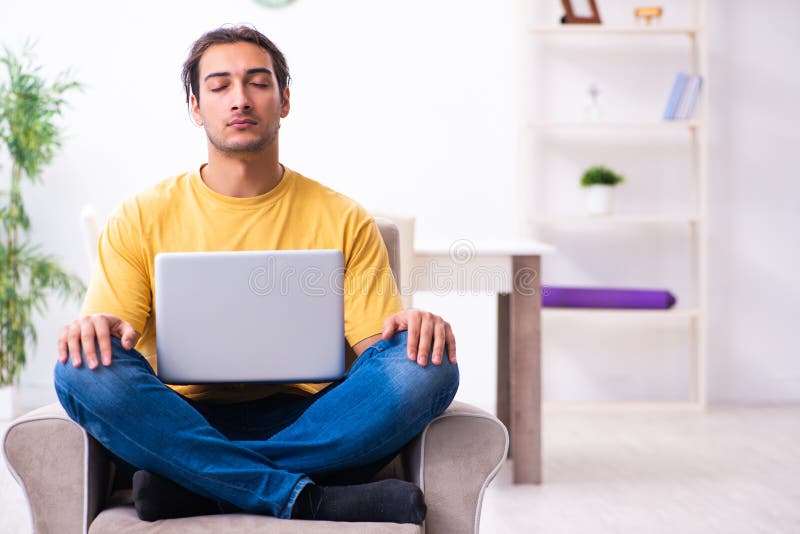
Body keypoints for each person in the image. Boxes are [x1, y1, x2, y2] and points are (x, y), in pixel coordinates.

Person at [53, 25, 458, 525]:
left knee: (430, 367)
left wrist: (416, 333)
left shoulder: (343, 217)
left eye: (258, 83)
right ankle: (307, 497)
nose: (239, 99)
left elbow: (379, 350)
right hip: (180, 419)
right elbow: (110, 335)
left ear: (284, 100)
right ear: (196, 107)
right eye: (220, 86)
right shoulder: (139, 216)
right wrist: (91, 329)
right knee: (78, 370)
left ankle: (200, 486)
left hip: (311, 419)